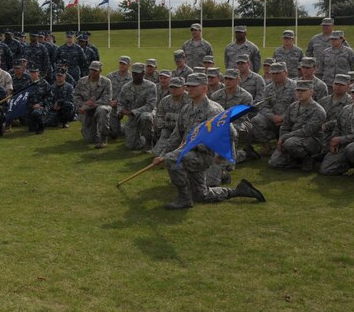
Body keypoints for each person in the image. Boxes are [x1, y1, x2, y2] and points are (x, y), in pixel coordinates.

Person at [153, 73, 266, 209]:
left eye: (194, 86)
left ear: (204, 88)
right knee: (201, 194)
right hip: (190, 153)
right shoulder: (187, 108)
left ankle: (184, 200)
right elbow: (176, 135)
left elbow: (231, 133)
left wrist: (224, 157)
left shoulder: (213, 110)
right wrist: (162, 154)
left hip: (205, 155)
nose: (190, 89)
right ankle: (239, 191)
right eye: (189, 86)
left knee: (172, 159)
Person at [269, 81, 326, 172]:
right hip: (292, 138)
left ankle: (308, 159)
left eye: (303, 90)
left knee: (290, 143)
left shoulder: (318, 110)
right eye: (298, 90)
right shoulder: (293, 106)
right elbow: (285, 126)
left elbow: (306, 131)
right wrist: (282, 139)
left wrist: (284, 138)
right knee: (274, 163)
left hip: (312, 140)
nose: (300, 93)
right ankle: (294, 159)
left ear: (311, 92)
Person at [320, 81, 354, 176]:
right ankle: (349, 163)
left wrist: (341, 139)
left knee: (353, 148)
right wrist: (334, 141)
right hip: (344, 145)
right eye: (353, 92)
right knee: (326, 170)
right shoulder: (346, 109)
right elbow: (338, 127)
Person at [118, 63, 158, 151]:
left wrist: (132, 112)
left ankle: (149, 144)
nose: (135, 75)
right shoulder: (126, 87)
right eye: (134, 73)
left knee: (146, 117)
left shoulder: (151, 86)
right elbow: (121, 103)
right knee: (131, 145)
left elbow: (150, 105)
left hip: (147, 113)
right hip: (133, 117)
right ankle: (146, 138)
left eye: (137, 73)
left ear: (143, 73)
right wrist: (120, 112)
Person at [76, 61, 112, 148]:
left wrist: (89, 105)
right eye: (91, 69)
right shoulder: (82, 81)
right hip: (87, 111)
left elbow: (107, 99)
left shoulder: (106, 82)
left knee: (102, 110)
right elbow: (76, 96)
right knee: (89, 139)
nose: (92, 72)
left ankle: (103, 139)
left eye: (95, 70)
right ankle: (111, 130)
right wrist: (82, 104)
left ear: (100, 71)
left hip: (100, 107)